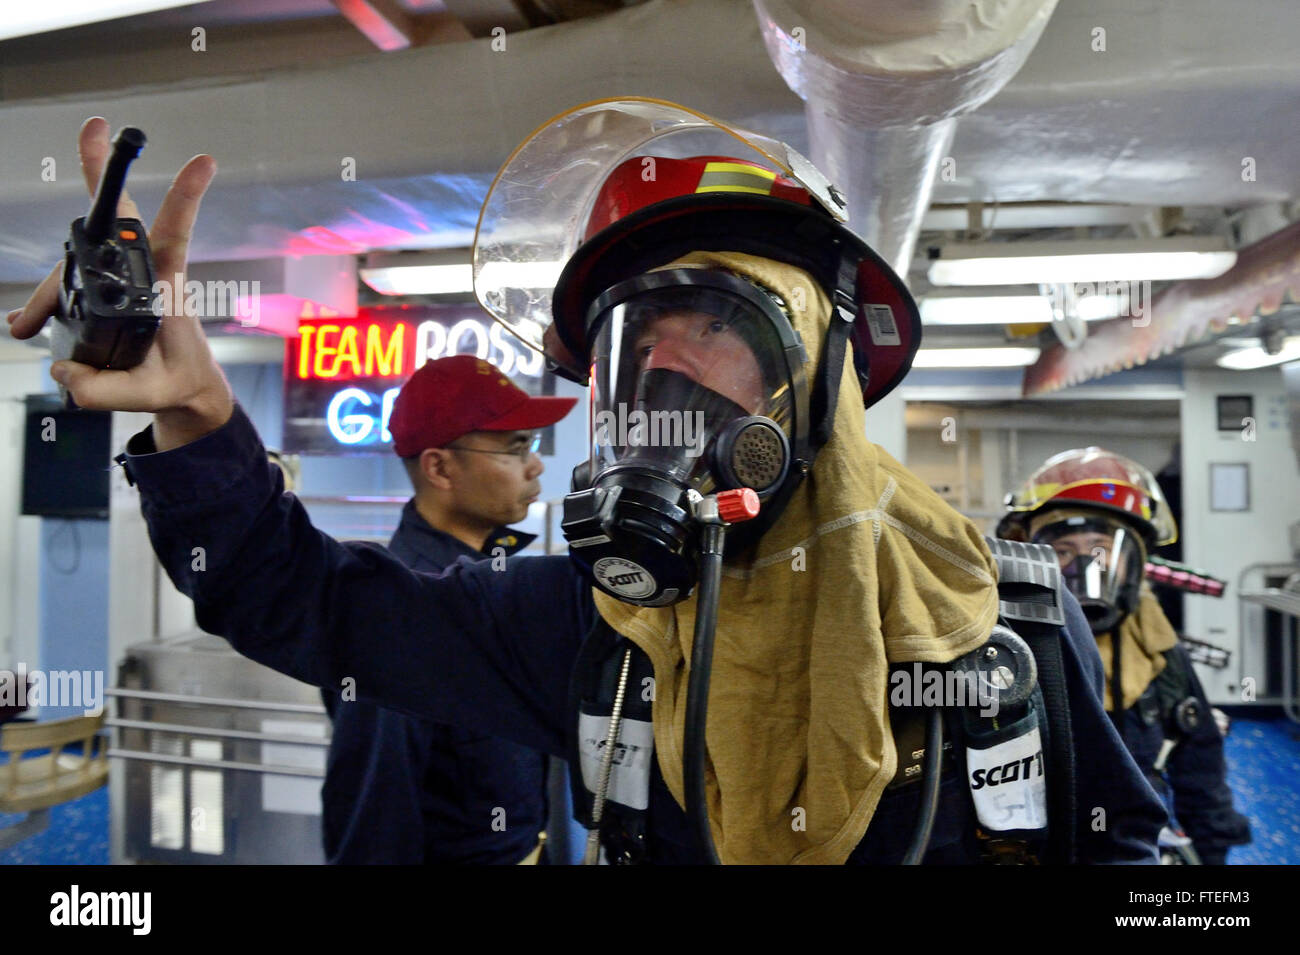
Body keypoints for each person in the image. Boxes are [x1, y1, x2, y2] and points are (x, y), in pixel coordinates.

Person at [10, 103, 1166, 864]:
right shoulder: (590, 620)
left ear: (813, 376)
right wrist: (198, 415)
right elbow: (297, 599)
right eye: (630, 341)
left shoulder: (998, 621)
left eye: (706, 324)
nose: (657, 370)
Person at [320, 354, 576, 864]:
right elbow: (373, 822)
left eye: (533, 444)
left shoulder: (495, 582)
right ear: (439, 467)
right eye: (515, 446)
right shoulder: (399, 617)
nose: (536, 464)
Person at [1000, 447, 1252, 864]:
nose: (1084, 565)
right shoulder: (1008, 653)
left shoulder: (1159, 654)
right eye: (1062, 550)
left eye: (1101, 547)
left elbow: (1202, 778)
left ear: (1132, 559)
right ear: (1033, 557)